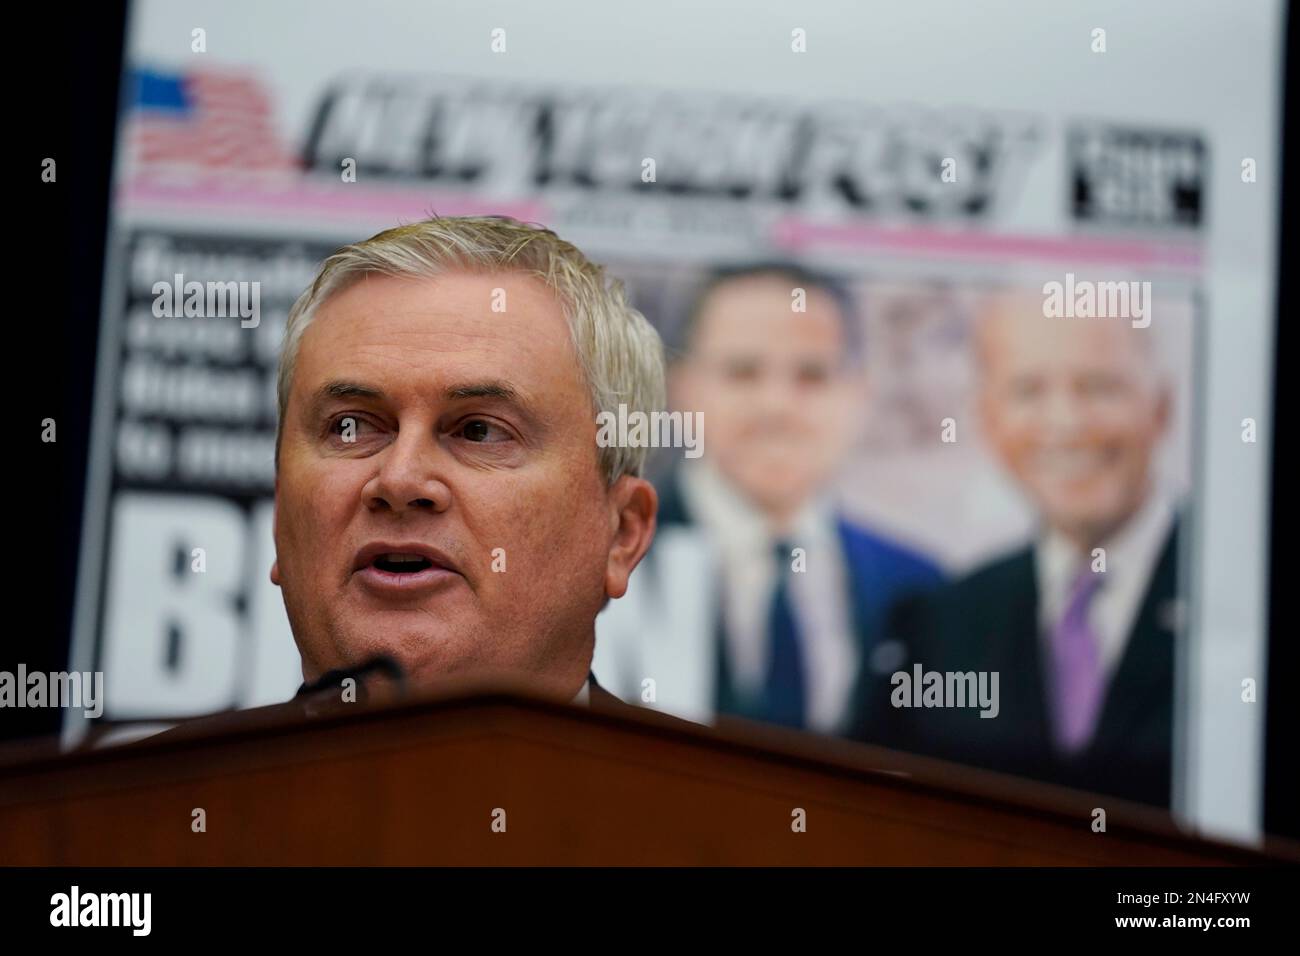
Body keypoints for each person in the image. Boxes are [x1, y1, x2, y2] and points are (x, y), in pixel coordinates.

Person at [151, 215, 668, 738]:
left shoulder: (720, 816)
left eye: (480, 432)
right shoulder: (135, 811)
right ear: (282, 510)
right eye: (350, 427)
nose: (399, 481)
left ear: (621, 533)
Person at [856, 289, 1184, 806]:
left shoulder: (1245, 601)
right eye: (1028, 390)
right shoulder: (938, 627)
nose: (1067, 423)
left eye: (1099, 387)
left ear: (1161, 408)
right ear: (988, 420)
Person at [594, 263, 942, 735]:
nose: (776, 405)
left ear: (858, 393)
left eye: (812, 374)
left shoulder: (920, 589)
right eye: (743, 372)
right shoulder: (601, 566)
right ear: (682, 387)